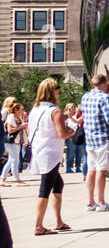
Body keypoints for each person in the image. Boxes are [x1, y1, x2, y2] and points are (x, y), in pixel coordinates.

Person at [28, 79, 75, 235]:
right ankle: (38, 225)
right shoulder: (55, 111)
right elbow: (62, 134)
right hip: (51, 153)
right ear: (52, 91)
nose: (59, 91)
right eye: (57, 88)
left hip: (39, 151)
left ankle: (58, 221)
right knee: (45, 188)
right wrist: (72, 131)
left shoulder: (34, 110)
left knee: (58, 184)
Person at [79, 74, 109, 212]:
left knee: (91, 170)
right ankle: (101, 202)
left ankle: (91, 201)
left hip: (90, 137)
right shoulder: (104, 97)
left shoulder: (85, 97)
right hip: (103, 137)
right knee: (101, 170)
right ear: (104, 84)